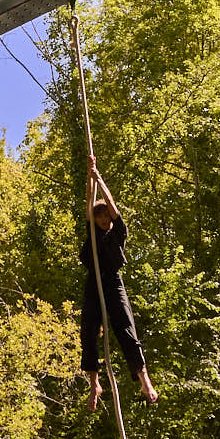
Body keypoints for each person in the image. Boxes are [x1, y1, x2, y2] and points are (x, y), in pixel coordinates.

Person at [81, 155, 158, 410]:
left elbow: (111, 206)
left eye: (106, 217)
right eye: (100, 217)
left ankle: (143, 377)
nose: (104, 220)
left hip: (113, 284)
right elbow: (88, 205)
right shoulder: (93, 232)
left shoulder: (118, 231)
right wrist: (89, 177)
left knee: (126, 329)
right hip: (94, 285)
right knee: (88, 333)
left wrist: (99, 178)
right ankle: (95, 383)